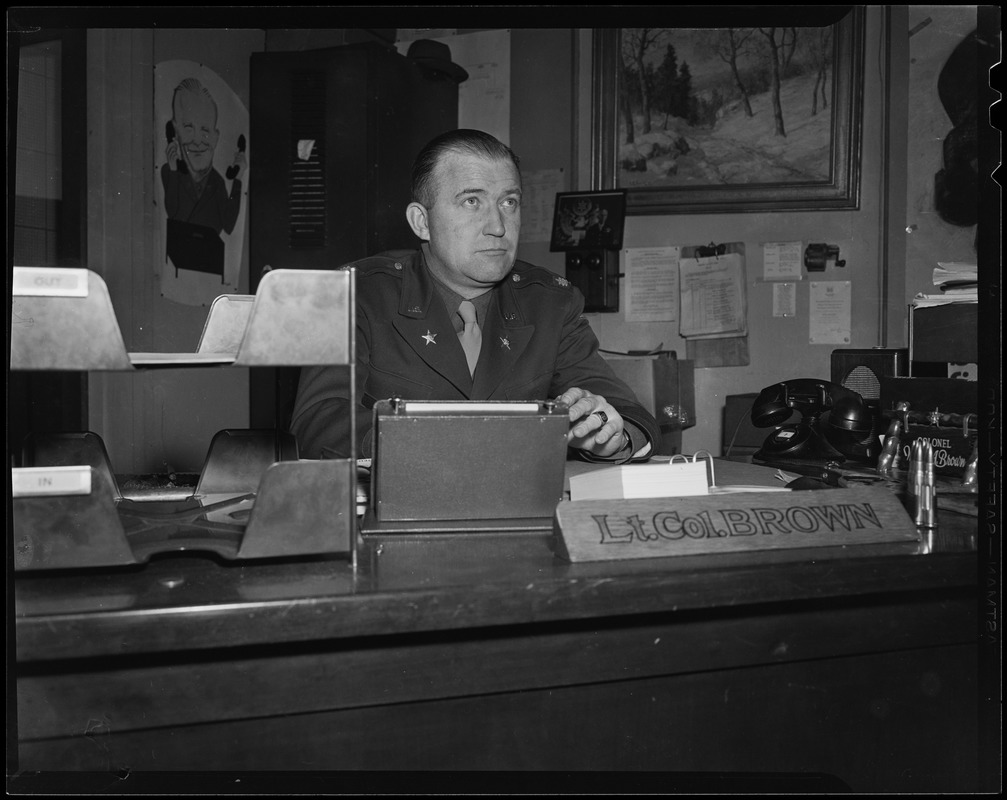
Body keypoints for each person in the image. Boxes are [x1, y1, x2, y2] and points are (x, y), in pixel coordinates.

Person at [290, 129, 660, 462]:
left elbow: (629, 414)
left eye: (508, 202)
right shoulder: (356, 295)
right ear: (422, 221)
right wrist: (444, 447)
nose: (498, 226)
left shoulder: (550, 304)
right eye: (472, 201)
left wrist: (613, 435)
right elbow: (320, 422)